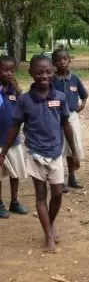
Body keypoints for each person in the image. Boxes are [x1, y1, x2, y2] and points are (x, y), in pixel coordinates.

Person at [0, 55, 80, 252]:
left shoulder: (59, 98)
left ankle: (50, 223)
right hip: (35, 154)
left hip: (56, 154)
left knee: (58, 194)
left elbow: (66, 125)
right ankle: (47, 234)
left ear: (52, 72)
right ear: (31, 74)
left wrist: (74, 152)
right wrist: (3, 153)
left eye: (47, 72)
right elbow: (14, 127)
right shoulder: (25, 100)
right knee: (40, 195)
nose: (44, 75)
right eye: (39, 72)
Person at [51, 49, 88, 192]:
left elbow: (84, 94)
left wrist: (82, 104)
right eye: (59, 60)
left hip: (72, 116)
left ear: (69, 60)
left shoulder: (75, 79)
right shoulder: (51, 80)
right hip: (56, 118)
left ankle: (72, 177)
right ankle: (58, 180)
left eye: (65, 59)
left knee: (73, 146)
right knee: (59, 148)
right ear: (54, 63)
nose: (62, 62)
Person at [0, 56, 28, 219]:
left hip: (13, 140)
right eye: (5, 70)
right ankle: (0, 203)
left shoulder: (15, 91)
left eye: (11, 70)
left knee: (15, 173)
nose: (9, 73)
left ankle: (14, 201)